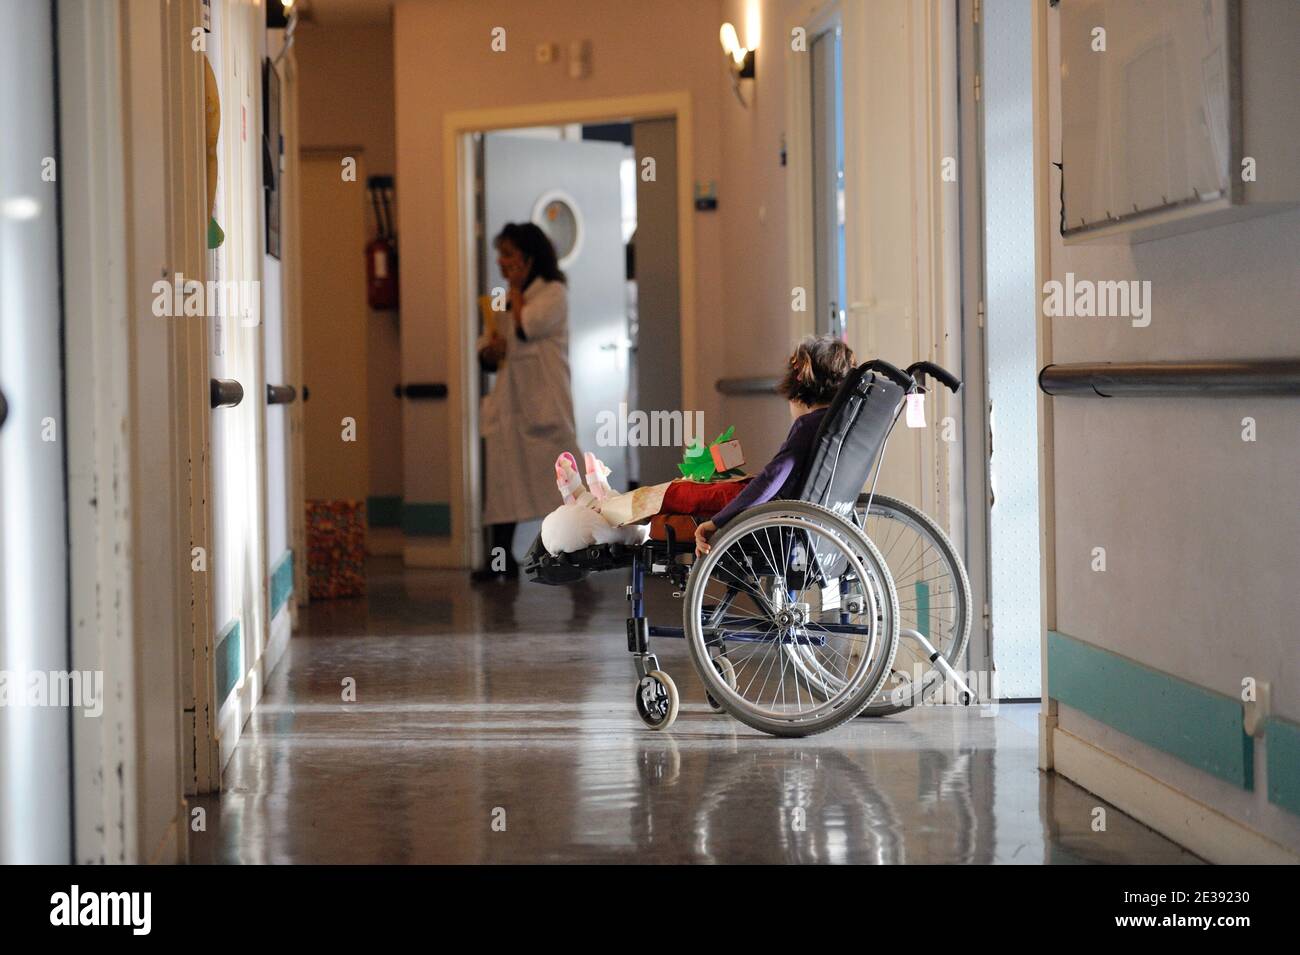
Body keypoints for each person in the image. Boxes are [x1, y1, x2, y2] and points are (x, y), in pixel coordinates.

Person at [474, 222, 579, 582]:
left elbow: (527, 326)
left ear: (529, 258)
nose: (502, 262)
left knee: (564, 488)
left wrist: (515, 292)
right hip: (509, 406)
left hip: (545, 406)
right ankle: (499, 562)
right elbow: (489, 347)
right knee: (504, 486)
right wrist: (490, 349)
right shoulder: (505, 298)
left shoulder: (553, 293)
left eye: (509, 255)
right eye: (500, 255)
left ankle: (576, 558)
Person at [693, 336, 855, 556]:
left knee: (694, 497)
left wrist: (716, 523)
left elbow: (772, 478)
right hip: (825, 520)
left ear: (800, 390)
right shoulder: (843, 423)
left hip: (781, 522)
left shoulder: (809, 425)